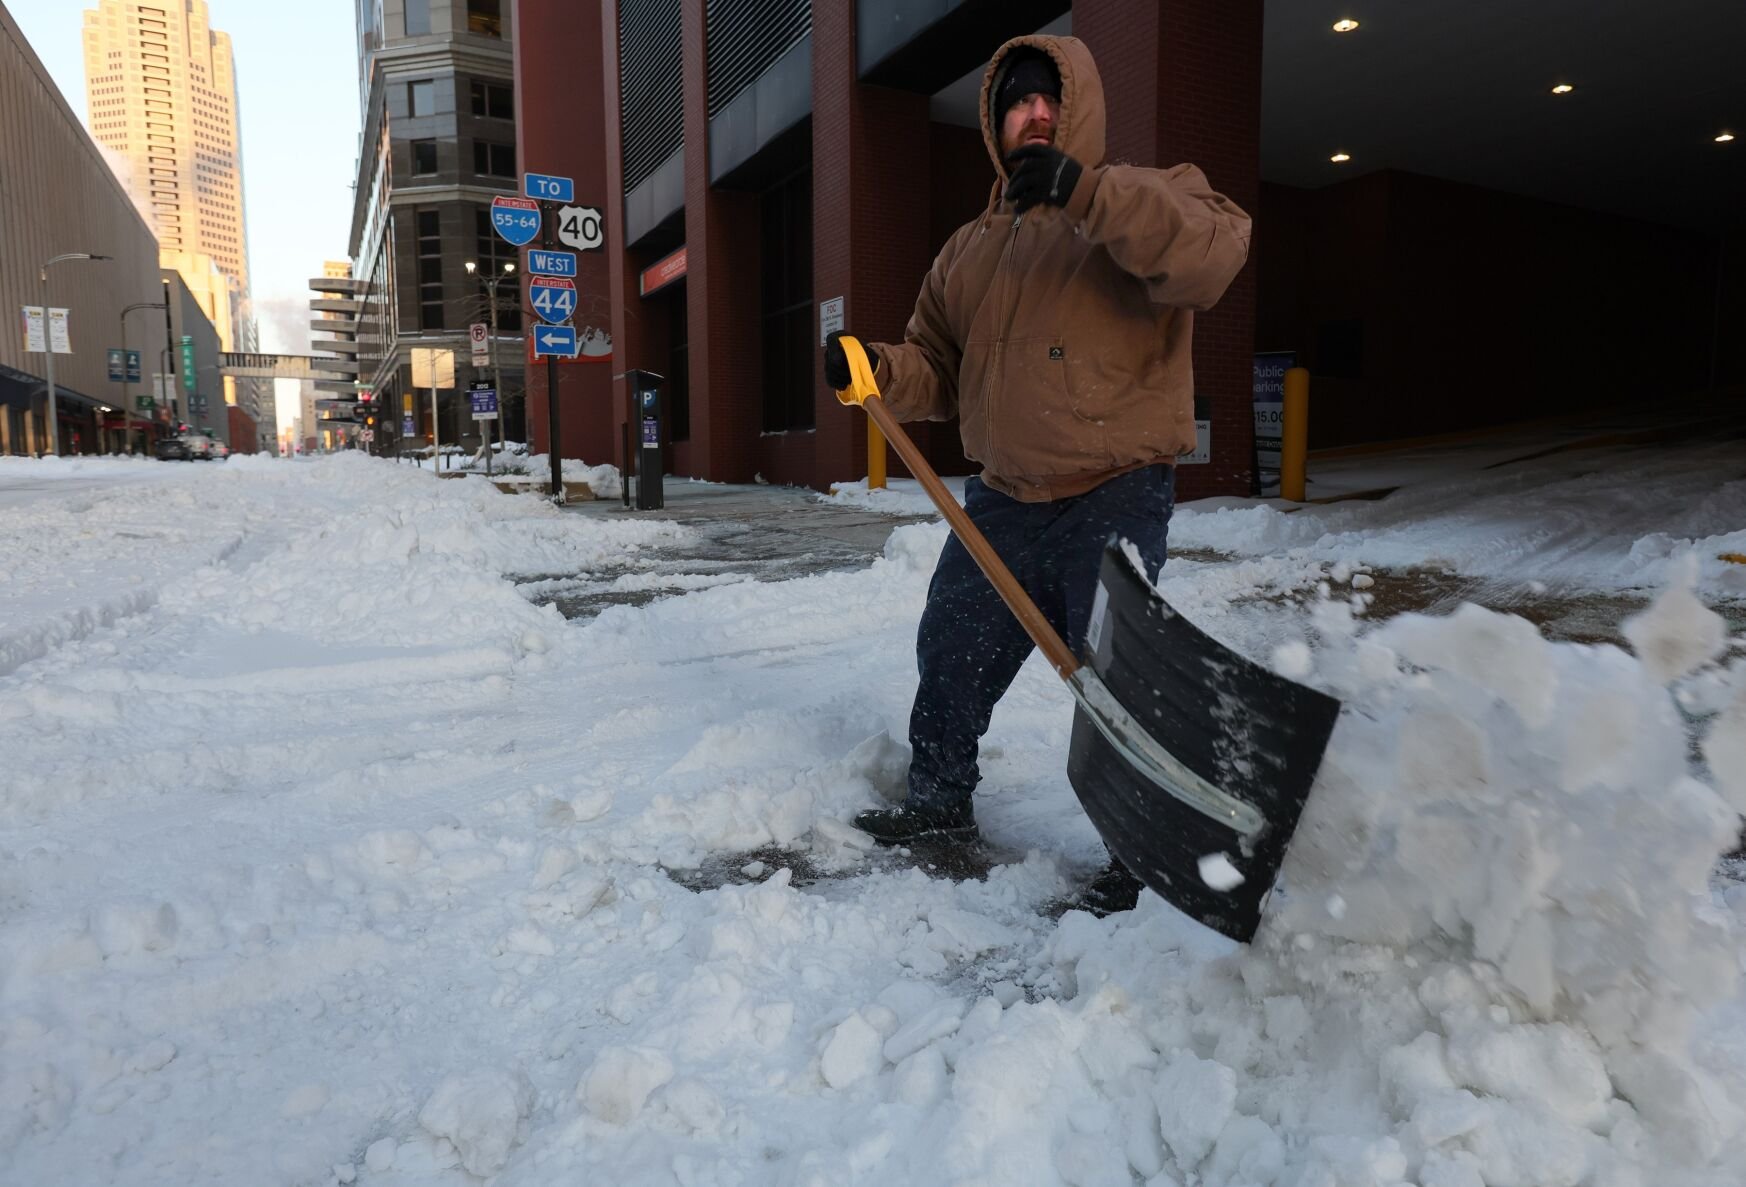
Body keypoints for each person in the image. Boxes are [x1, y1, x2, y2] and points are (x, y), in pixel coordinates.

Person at [824, 34, 1252, 912]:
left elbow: (1212, 254)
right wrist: (878, 367)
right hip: (1004, 499)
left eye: (1051, 98)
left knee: (1121, 673)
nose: (1038, 112)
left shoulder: (1148, 196)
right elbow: (940, 369)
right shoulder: (968, 249)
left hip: (1115, 488)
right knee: (952, 646)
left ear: (1080, 109)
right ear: (995, 122)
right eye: (1019, 100)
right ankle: (939, 796)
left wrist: (1084, 194)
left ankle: (1142, 857)